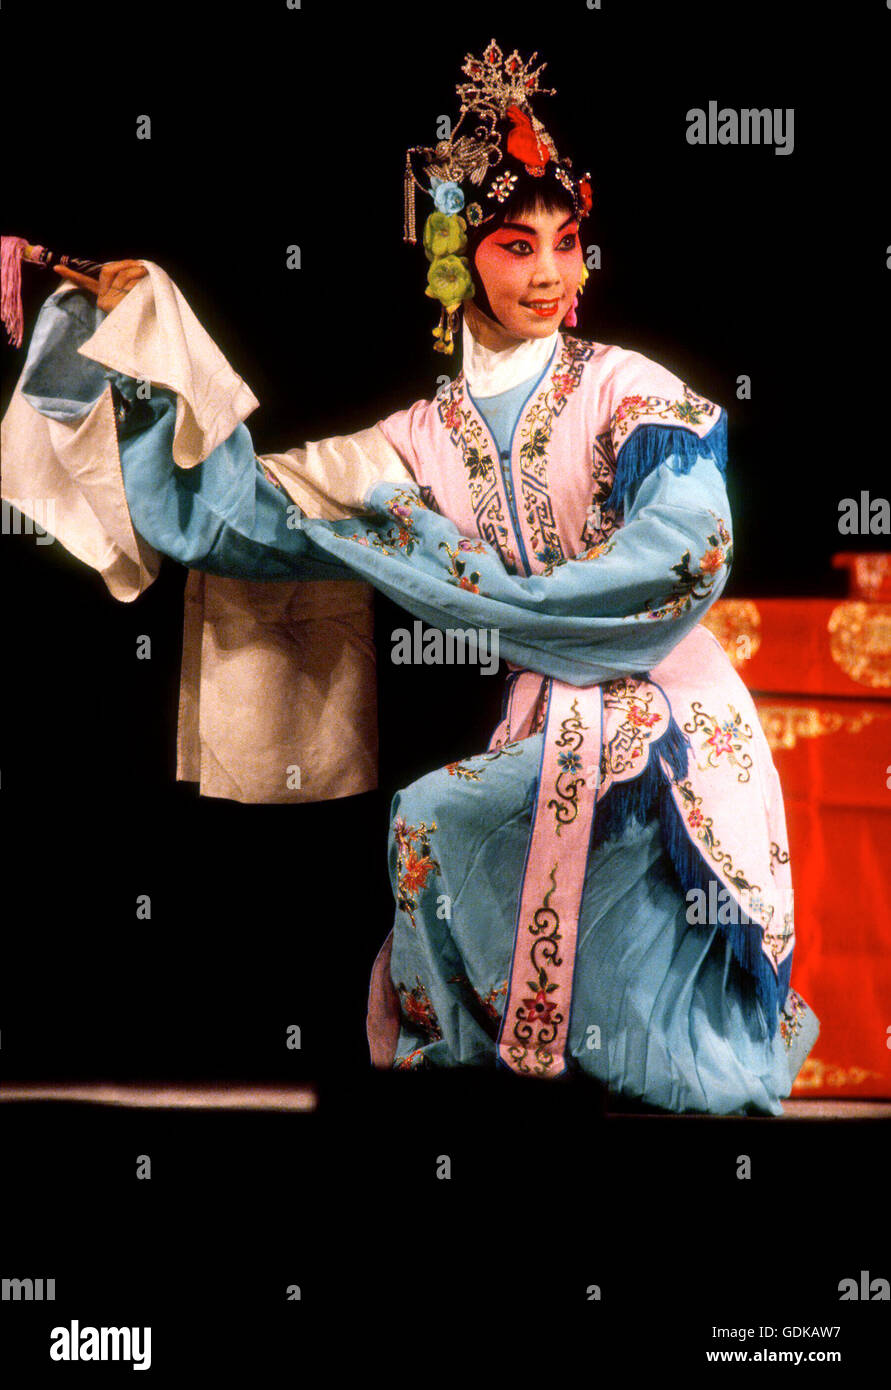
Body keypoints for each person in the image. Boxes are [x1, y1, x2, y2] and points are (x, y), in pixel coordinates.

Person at [5, 38, 818, 1112]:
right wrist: (136, 343)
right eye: (517, 245)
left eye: (566, 244)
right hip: (545, 710)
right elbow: (254, 514)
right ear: (459, 254)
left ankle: (610, 1079)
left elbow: (686, 550)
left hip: (664, 703)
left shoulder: (629, 389)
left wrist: (513, 603)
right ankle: (484, 1088)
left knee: (458, 830)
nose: (548, 273)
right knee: (442, 827)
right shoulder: (424, 437)